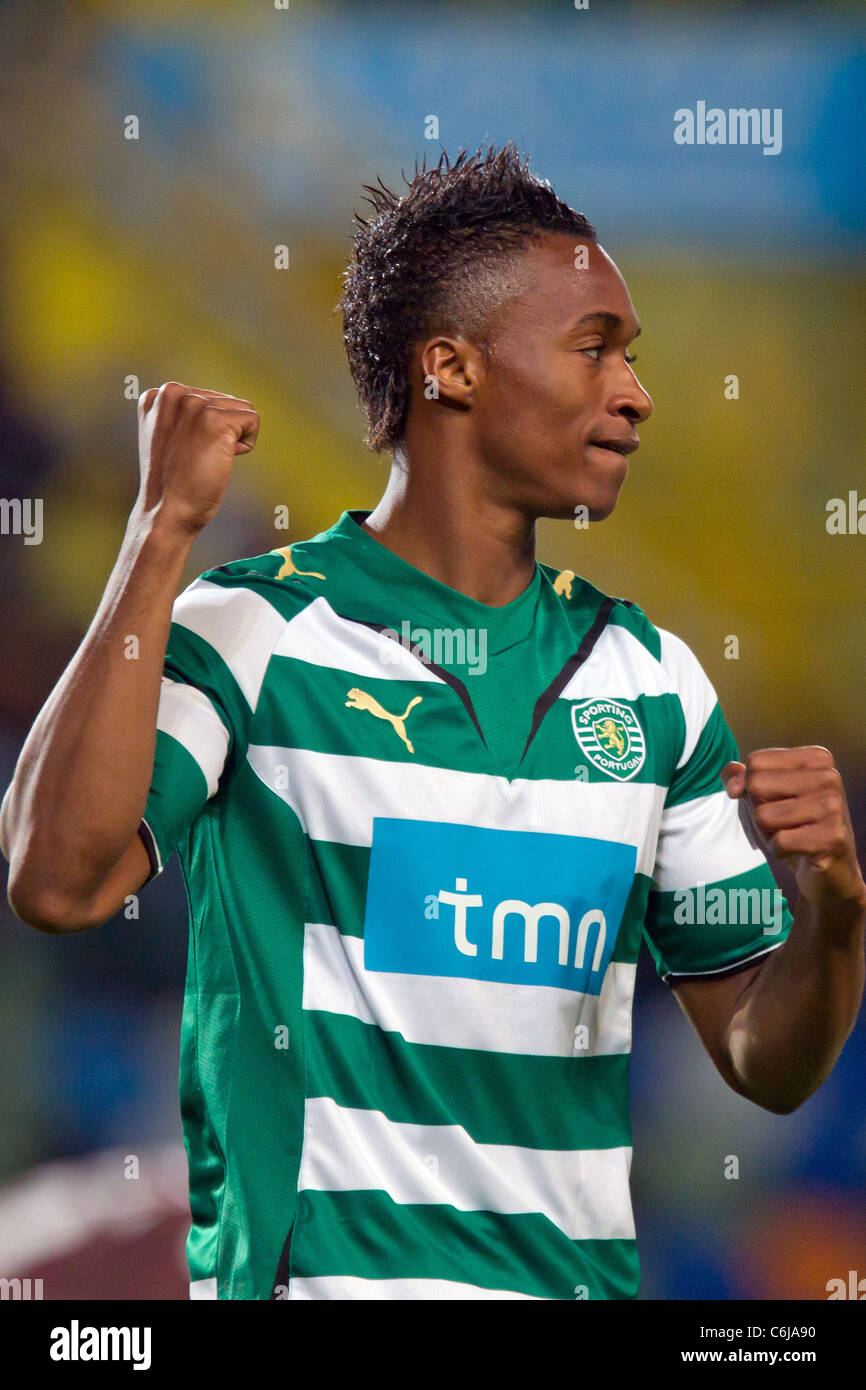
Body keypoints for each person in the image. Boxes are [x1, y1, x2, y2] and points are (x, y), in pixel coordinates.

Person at [2, 145, 864, 1301]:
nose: (634, 392)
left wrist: (834, 920)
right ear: (451, 370)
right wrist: (158, 536)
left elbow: (764, 1059)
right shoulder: (254, 631)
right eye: (594, 346)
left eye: (634, 356)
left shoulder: (653, 680)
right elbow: (56, 882)